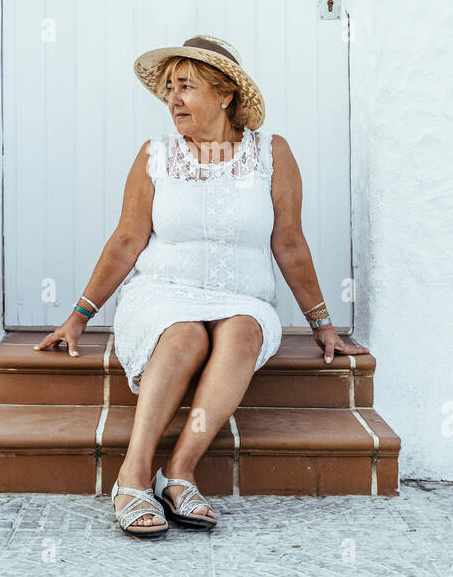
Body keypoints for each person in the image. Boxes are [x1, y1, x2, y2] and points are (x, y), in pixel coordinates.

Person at [34, 35, 369, 535]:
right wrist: (78, 316)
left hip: (242, 298)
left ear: (225, 94)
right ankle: (132, 476)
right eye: (169, 88)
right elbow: (127, 241)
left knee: (243, 330)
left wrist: (322, 324)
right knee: (185, 333)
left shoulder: (270, 155)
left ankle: (181, 471)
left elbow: (290, 243)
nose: (173, 99)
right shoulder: (155, 156)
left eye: (185, 86)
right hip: (163, 293)